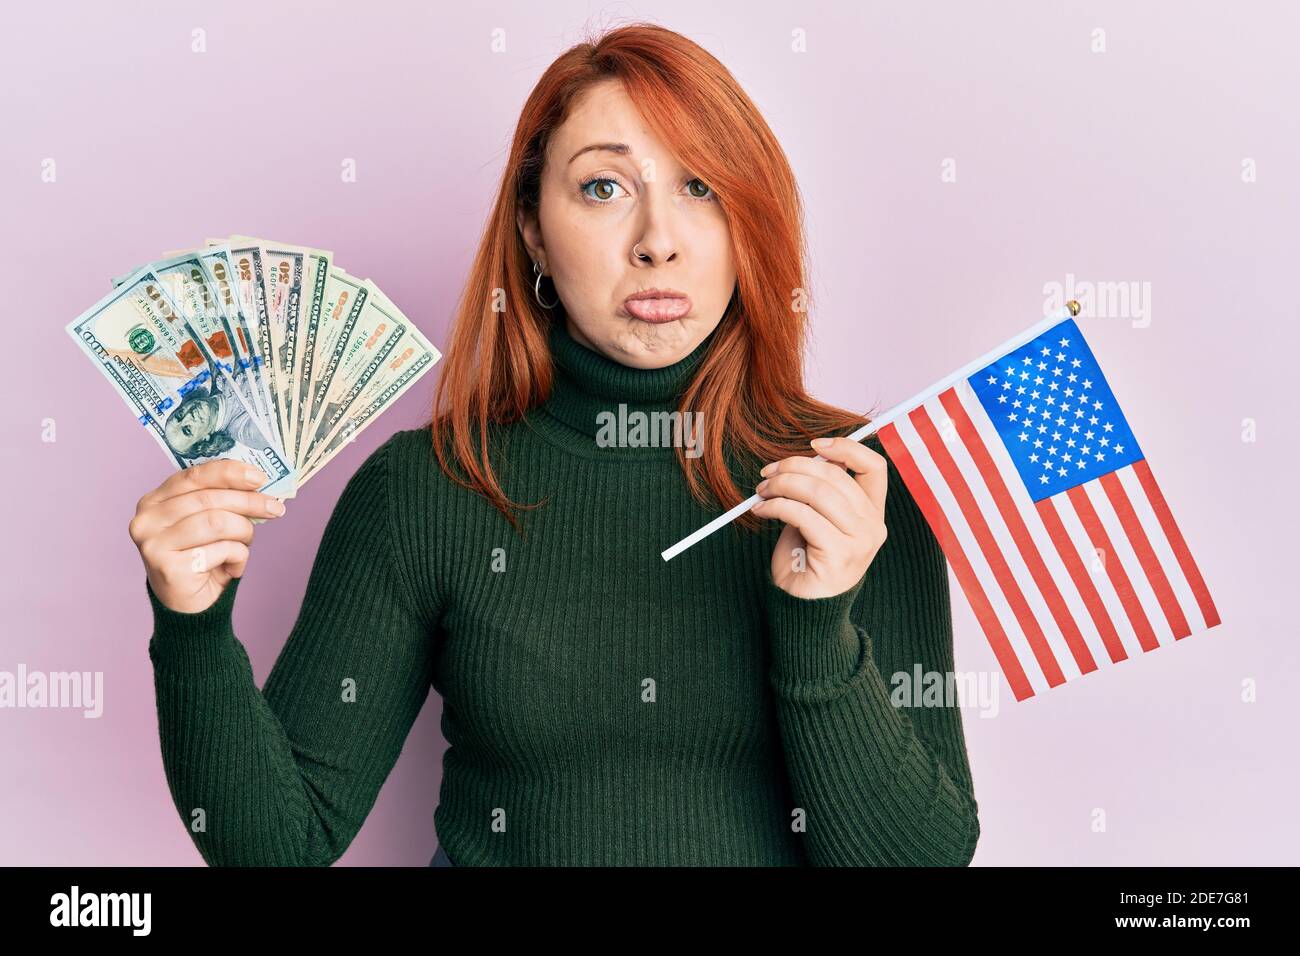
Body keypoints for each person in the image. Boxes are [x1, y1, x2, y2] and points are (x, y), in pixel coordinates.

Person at [131, 22, 980, 867]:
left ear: (746, 221)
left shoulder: (849, 484)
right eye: (604, 188)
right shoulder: (425, 489)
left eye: (699, 187)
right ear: (534, 231)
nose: (658, 240)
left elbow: (922, 862)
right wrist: (192, 628)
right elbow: (276, 847)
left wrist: (816, 628)